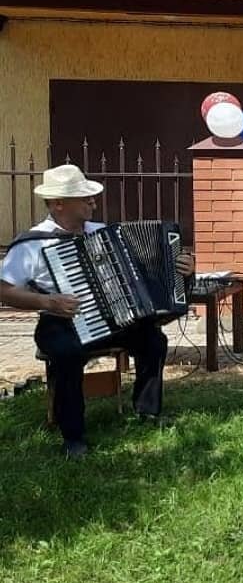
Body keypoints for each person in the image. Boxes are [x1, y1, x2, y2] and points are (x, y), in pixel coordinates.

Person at [0, 164, 194, 458]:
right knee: (66, 355)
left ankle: (147, 412)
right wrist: (48, 302)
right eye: (84, 197)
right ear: (58, 203)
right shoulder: (31, 244)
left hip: (112, 318)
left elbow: (140, 275)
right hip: (60, 322)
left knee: (153, 340)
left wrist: (184, 271)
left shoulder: (103, 232)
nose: (93, 201)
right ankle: (73, 437)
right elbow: (3, 289)